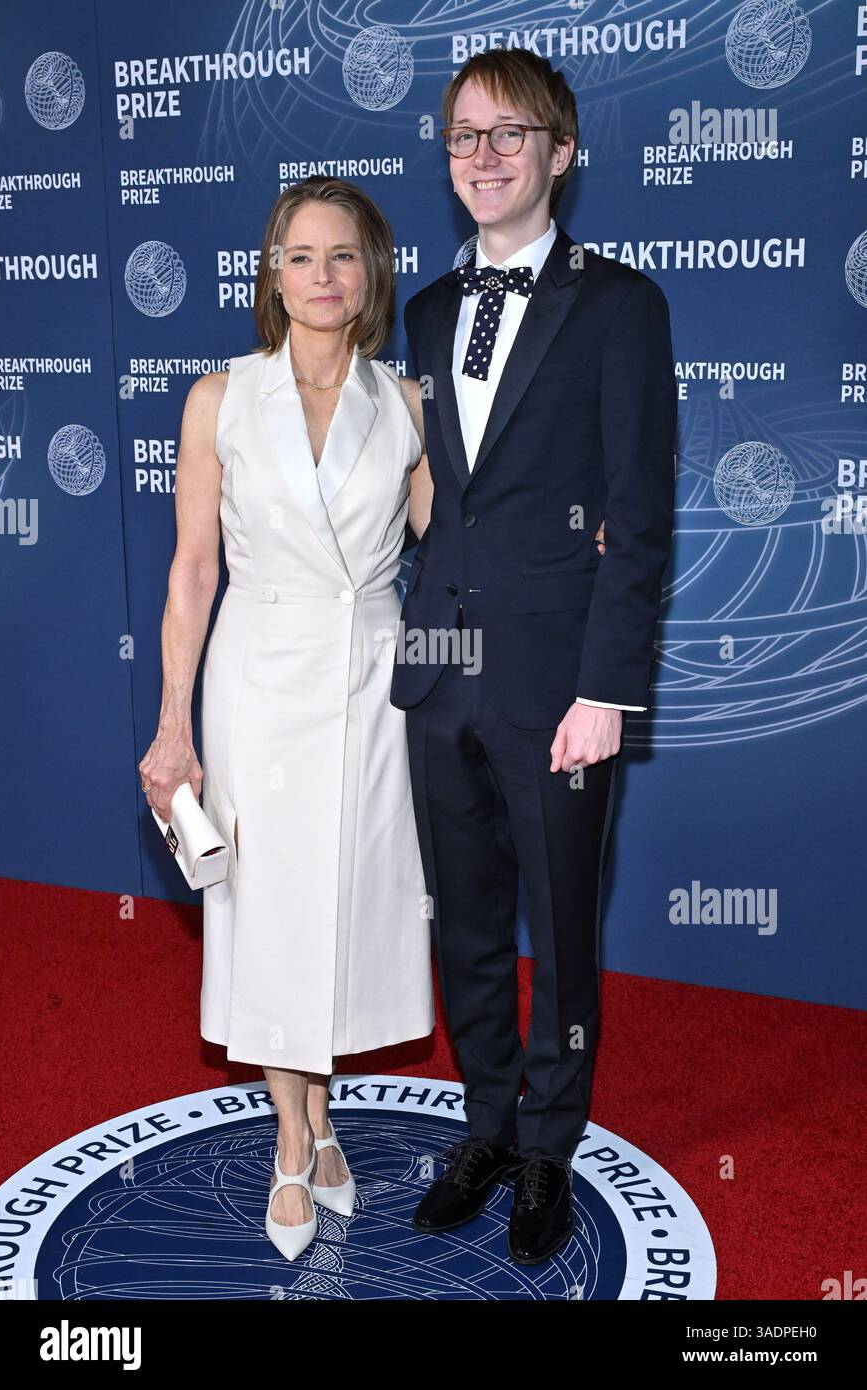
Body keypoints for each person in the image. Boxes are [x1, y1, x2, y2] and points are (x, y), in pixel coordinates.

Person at [390, 50, 677, 1264]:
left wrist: (606, 689)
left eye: (513, 134)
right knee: (464, 921)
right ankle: (489, 1122)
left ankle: (550, 1148)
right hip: (438, 666)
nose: (486, 155)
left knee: (557, 929)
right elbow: (434, 501)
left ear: (561, 154)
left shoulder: (619, 304)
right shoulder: (427, 311)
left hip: (561, 684)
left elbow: (639, 509)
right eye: (464, 136)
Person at [138, 177, 435, 1262]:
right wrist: (175, 726)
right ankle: (292, 1134)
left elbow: (449, 549)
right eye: (300, 256)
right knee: (269, 908)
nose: (322, 276)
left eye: (342, 256)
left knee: (344, 903)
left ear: (370, 276)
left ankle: (323, 1113)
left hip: (369, 677)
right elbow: (192, 569)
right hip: (257, 673)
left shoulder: (405, 406)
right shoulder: (219, 398)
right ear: (272, 274)